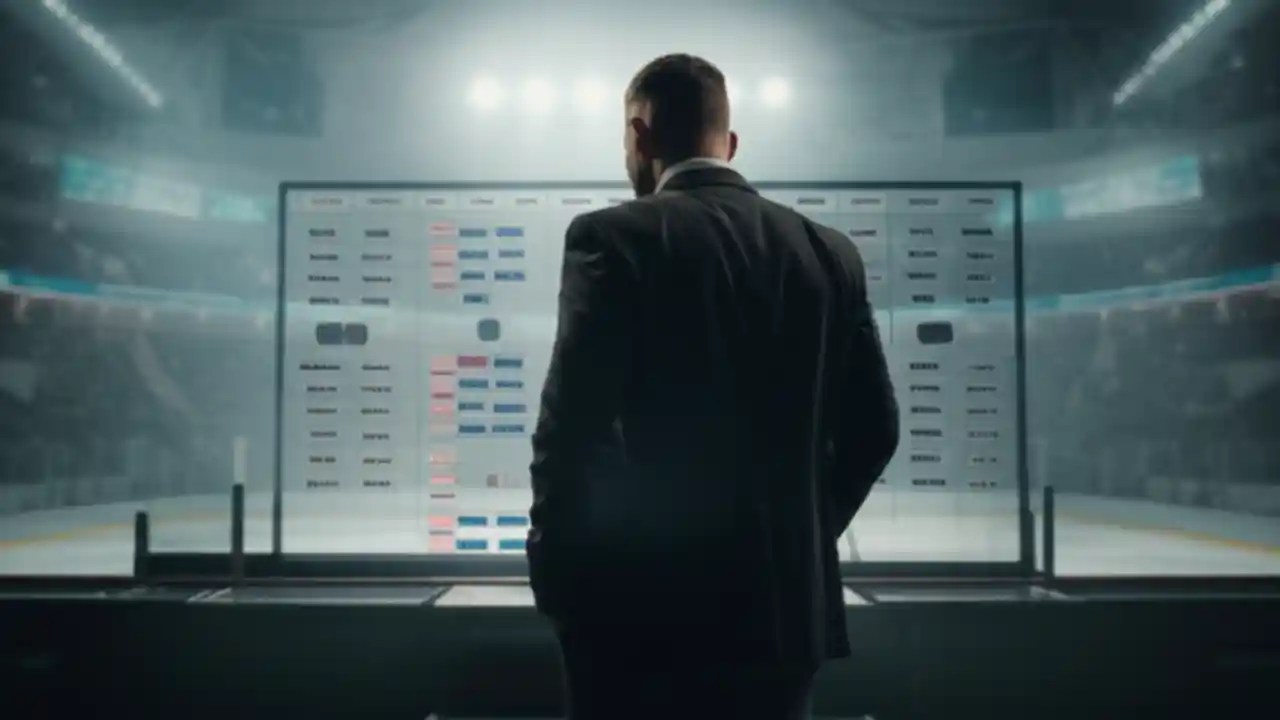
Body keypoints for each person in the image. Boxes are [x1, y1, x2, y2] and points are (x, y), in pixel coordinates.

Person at [526, 53, 899, 720]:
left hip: (639, 616)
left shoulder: (612, 237)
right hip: (783, 616)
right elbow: (876, 430)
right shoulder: (828, 250)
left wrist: (558, 584)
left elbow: (572, 433)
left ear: (639, 136)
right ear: (730, 144)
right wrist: (797, 538)